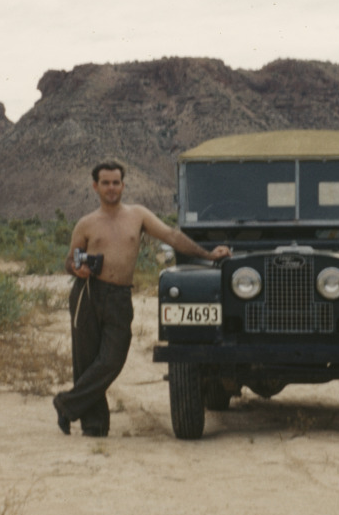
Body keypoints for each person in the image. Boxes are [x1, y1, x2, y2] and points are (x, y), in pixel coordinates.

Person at [55, 161, 231, 436]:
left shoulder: (137, 215)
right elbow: (70, 260)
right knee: (86, 361)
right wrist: (76, 268)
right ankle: (94, 425)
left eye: (116, 182)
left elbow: (171, 235)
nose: (111, 188)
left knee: (112, 359)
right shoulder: (86, 223)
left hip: (119, 296)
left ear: (123, 185)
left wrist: (208, 255)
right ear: (95, 187)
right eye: (106, 183)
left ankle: (66, 404)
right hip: (87, 294)